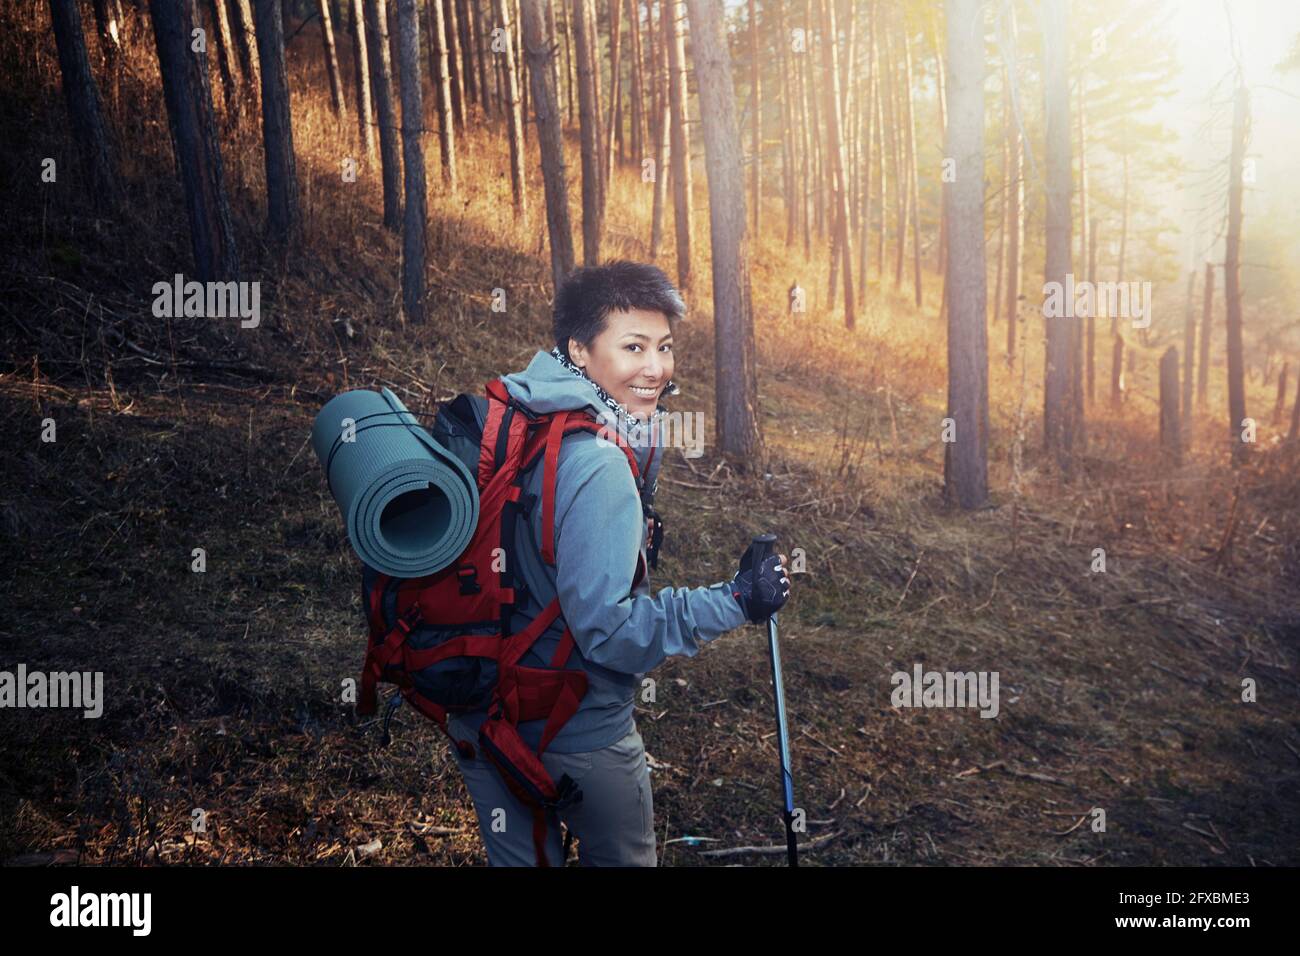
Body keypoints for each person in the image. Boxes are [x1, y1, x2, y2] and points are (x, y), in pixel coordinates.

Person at [446, 260, 792, 866]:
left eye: (663, 346)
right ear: (579, 349)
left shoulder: (523, 417)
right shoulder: (598, 464)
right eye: (633, 346)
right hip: (576, 731)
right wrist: (737, 599)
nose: (655, 367)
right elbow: (609, 634)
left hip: (482, 714)